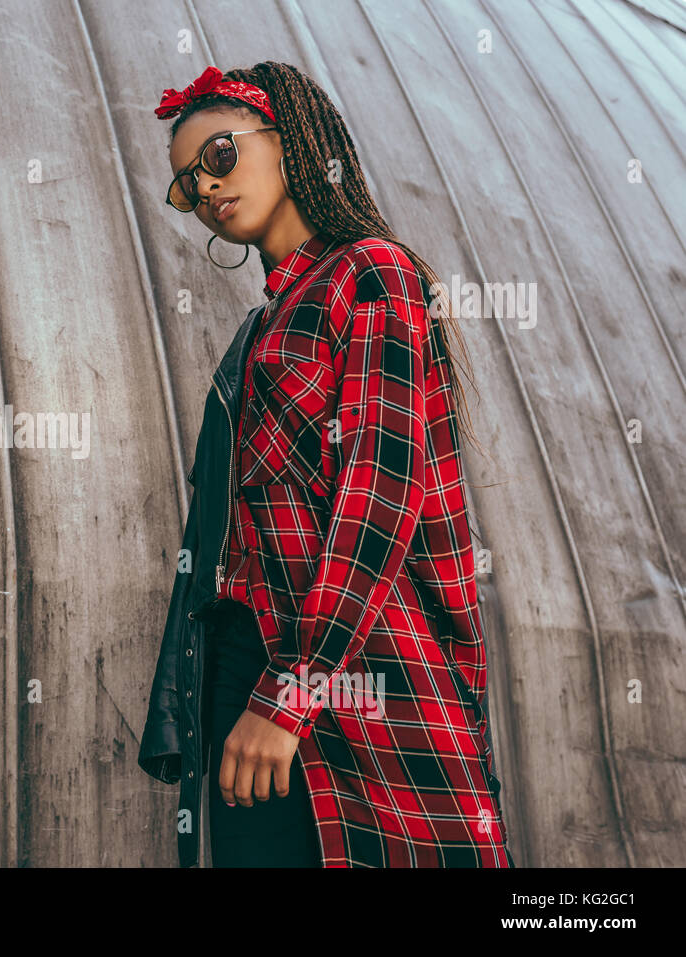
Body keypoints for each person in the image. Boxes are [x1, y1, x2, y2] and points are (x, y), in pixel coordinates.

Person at [155, 62, 512, 866]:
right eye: (186, 184)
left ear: (290, 140)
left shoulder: (371, 270)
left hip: (354, 668)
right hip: (248, 656)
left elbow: (379, 493)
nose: (204, 190)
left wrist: (294, 689)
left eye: (217, 156)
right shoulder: (259, 328)